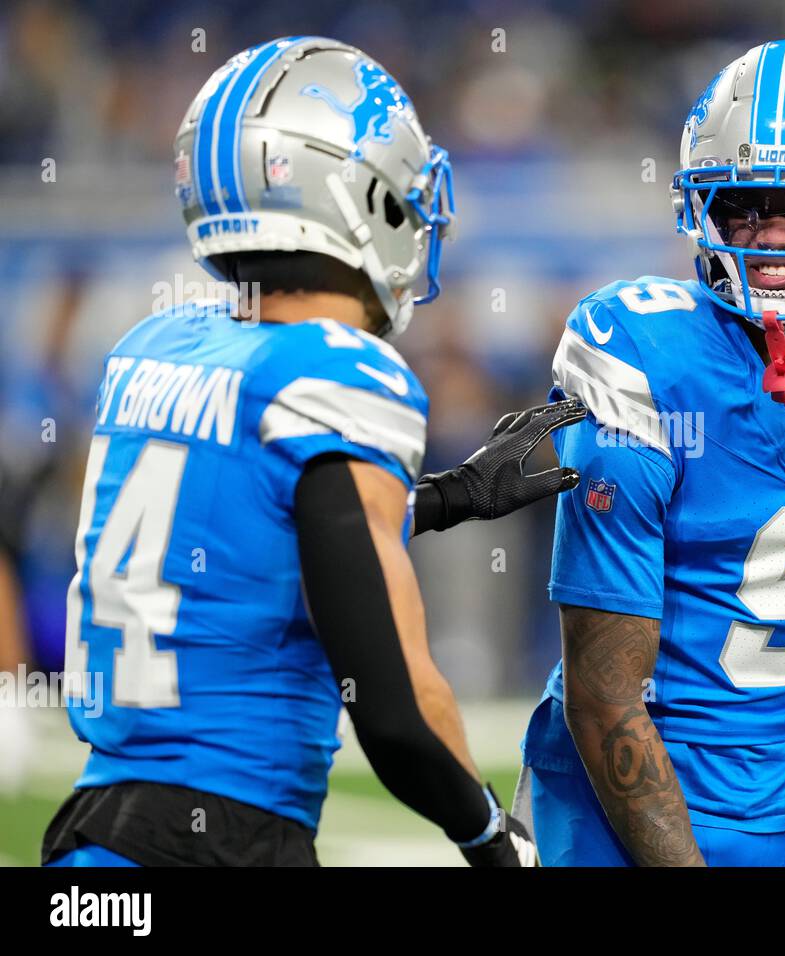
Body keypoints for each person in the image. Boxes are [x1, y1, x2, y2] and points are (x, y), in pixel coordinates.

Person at [42, 37, 584, 868]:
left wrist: (455, 495)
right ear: (355, 194)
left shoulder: (155, 346)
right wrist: (491, 838)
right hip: (228, 835)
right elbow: (395, 709)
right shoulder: (342, 371)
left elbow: (261, 531)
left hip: (95, 833)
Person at [518, 39, 785, 866]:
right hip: (610, 808)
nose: (774, 238)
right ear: (700, 210)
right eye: (745, 208)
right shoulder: (642, 353)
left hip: (784, 805)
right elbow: (607, 696)